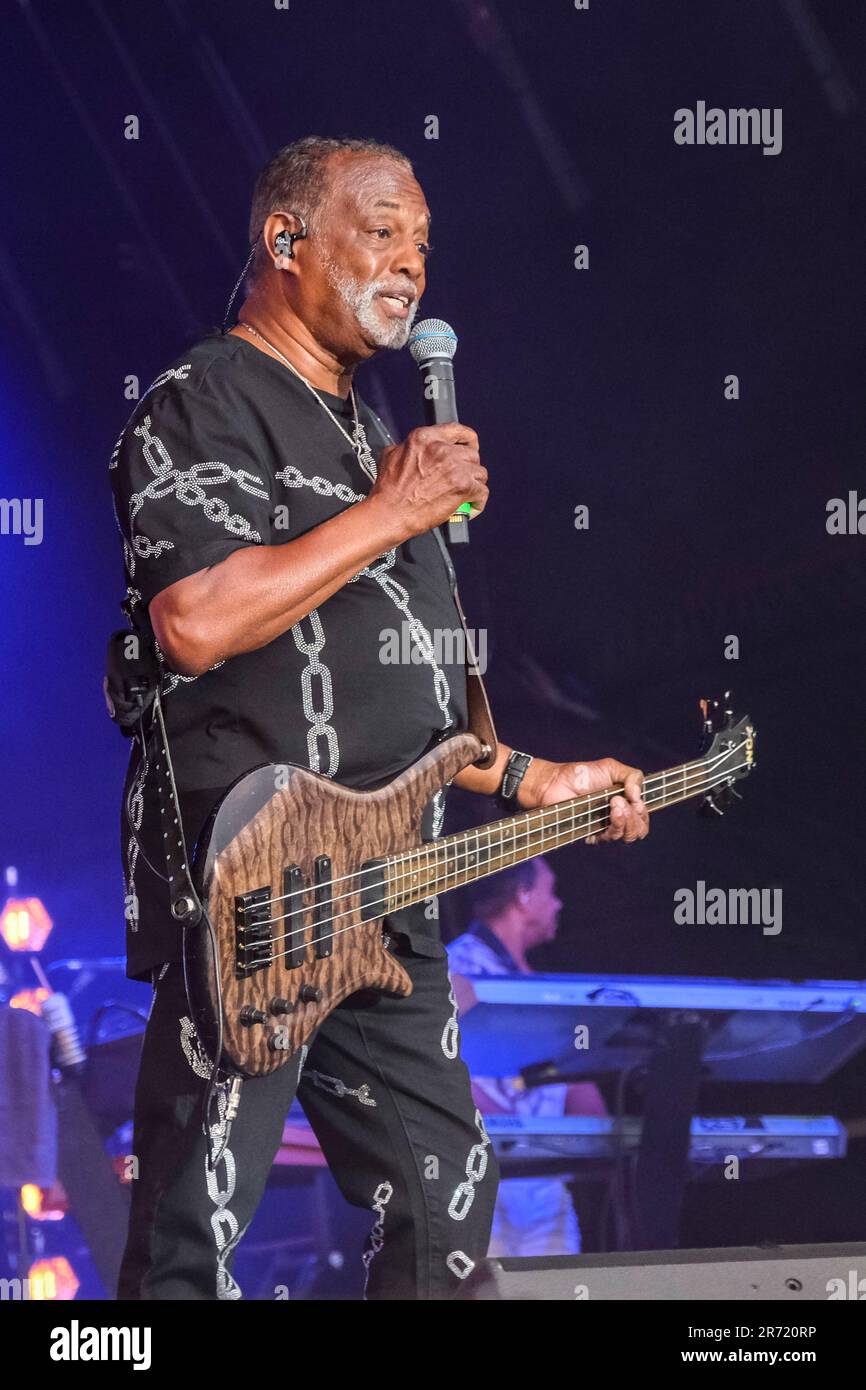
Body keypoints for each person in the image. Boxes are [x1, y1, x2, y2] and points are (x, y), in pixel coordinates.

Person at [109, 135, 649, 1301]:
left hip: (386, 897)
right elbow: (195, 621)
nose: (409, 263)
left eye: (421, 242)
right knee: (189, 1235)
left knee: (447, 1205)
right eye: (381, 229)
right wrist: (390, 512)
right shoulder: (203, 399)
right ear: (286, 239)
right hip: (255, 886)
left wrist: (529, 778)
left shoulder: (376, 441)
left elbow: (411, 705)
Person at [448, 858, 606, 1258]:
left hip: (546, 1184)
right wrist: (520, 1133)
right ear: (522, 895)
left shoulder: (538, 983)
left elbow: (576, 1079)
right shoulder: (456, 966)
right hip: (478, 1178)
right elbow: (443, 1068)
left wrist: (601, 1133)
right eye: (550, 892)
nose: (558, 905)